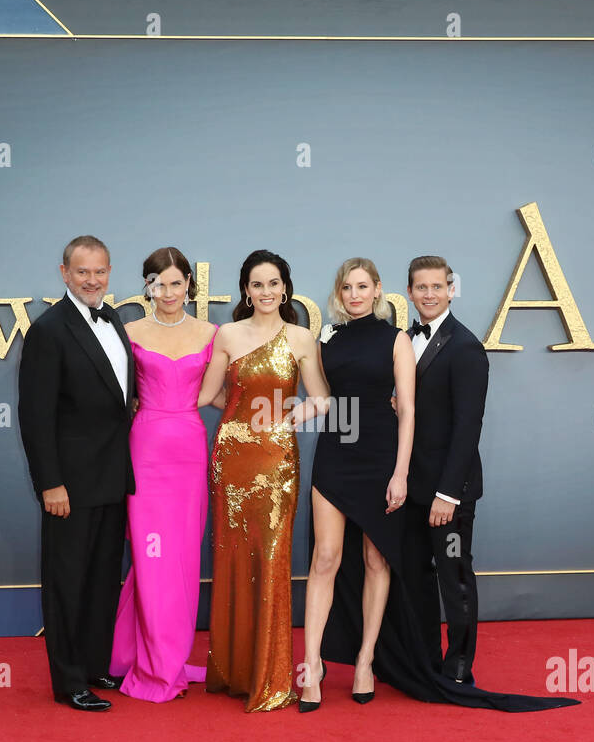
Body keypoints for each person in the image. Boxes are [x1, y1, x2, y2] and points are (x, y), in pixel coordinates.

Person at [317, 254, 578, 712]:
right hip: (401, 486)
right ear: (409, 292)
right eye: (421, 287)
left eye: (438, 287)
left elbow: (467, 427)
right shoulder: (403, 340)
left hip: (445, 490)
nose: (430, 294)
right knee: (413, 578)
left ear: (451, 289)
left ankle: (457, 669)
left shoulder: (465, 347)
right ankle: (421, 661)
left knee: (454, 578)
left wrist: (447, 494)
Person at [197, 250, 329, 712]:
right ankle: (234, 672)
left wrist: (280, 421)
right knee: (232, 558)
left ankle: (270, 677)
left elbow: (323, 399)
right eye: (257, 285)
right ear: (246, 290)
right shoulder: (228, 334)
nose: (266, 292)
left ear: (285, 288)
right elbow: (208, 394)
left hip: (277, 464)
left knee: (270, 559)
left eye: (274, 283)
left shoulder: (301, 338)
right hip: (231, 462)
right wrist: (239, 421)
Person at [18, 235, 133, 712]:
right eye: (83, 272)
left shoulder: (114, 321)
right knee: (67, 581)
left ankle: (92, 664)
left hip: (112, 478)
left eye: (100, 271)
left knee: (103, 578)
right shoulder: (49, 330)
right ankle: (68, 681)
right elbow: (35, 415)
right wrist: (50, 483)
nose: (92, 280)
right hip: (70, 485)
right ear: (64, 273)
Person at [299, 258, 414, 712]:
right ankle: (312, 664)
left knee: (374, 558)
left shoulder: (396, 339)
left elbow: (406, 409)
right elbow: (323, 400)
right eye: (347, 287)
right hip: (336, 452)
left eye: (362, 286)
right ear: (339, 292)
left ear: (378, 290)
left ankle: (365, 660)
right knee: (325, 557)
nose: (354, 294)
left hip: (381, 457)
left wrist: (401, 472)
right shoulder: (326, 337)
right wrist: (280, 417)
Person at [108, 247, 217, 702]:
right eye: (159, 283)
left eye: (176, 282)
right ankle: (152, 664)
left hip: (189, 452)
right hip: (145, 450)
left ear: (189, 283)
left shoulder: (213, 333)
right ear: (147, 286)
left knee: (183, 561)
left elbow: (229, 394)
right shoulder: (127, 329)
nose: (168, 292)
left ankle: (161, 654)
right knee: (151, 561)